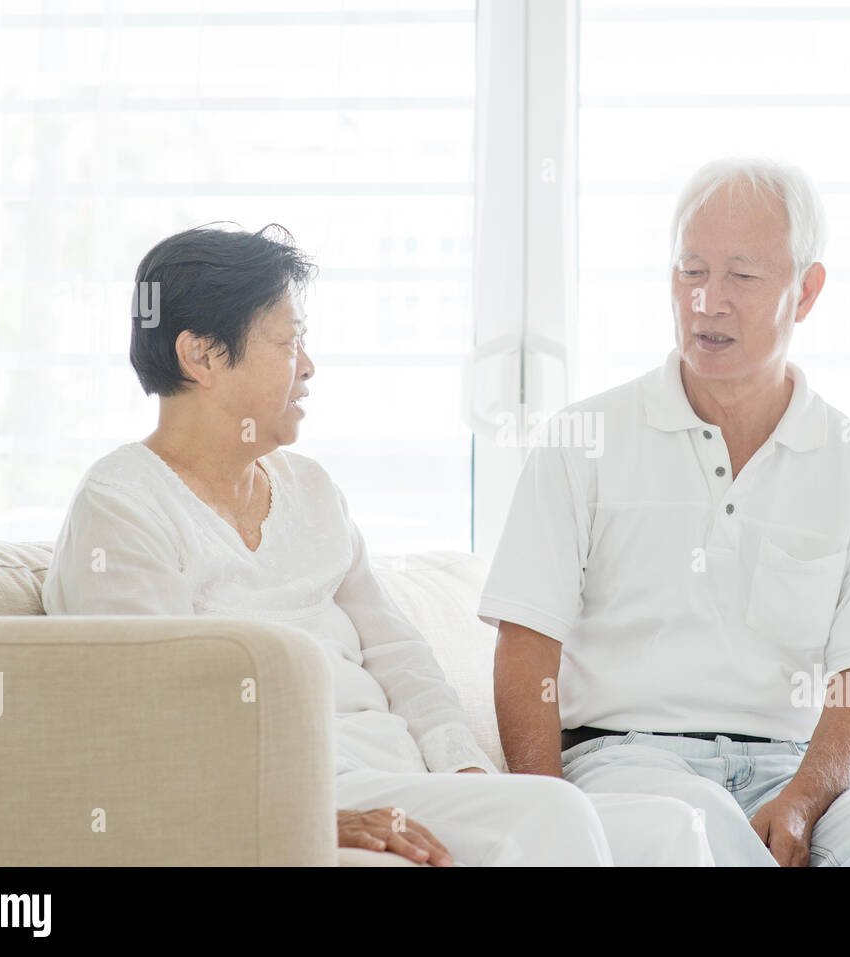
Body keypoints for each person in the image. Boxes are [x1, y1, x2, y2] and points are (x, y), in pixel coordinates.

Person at [42, 223, 712, 867]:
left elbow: (399, 654)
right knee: (554, 817)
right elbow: (147, 722)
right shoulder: (122, 507)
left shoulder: (311, 490)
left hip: (409, 779)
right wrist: (298, 813)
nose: (308, 366)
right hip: (306, 782)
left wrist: (472, 771)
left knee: (668, 827)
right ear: (202, 354)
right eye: (289, 342)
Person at [480, 157, 850, 867]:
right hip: (625, 761)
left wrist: (802, 797)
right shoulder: (583, 441)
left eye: (741, 275)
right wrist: (548, 816)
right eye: (690, 271)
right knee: (695, 824)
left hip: (788, 769)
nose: (707, 301)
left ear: (806, 291)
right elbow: (526, 645)